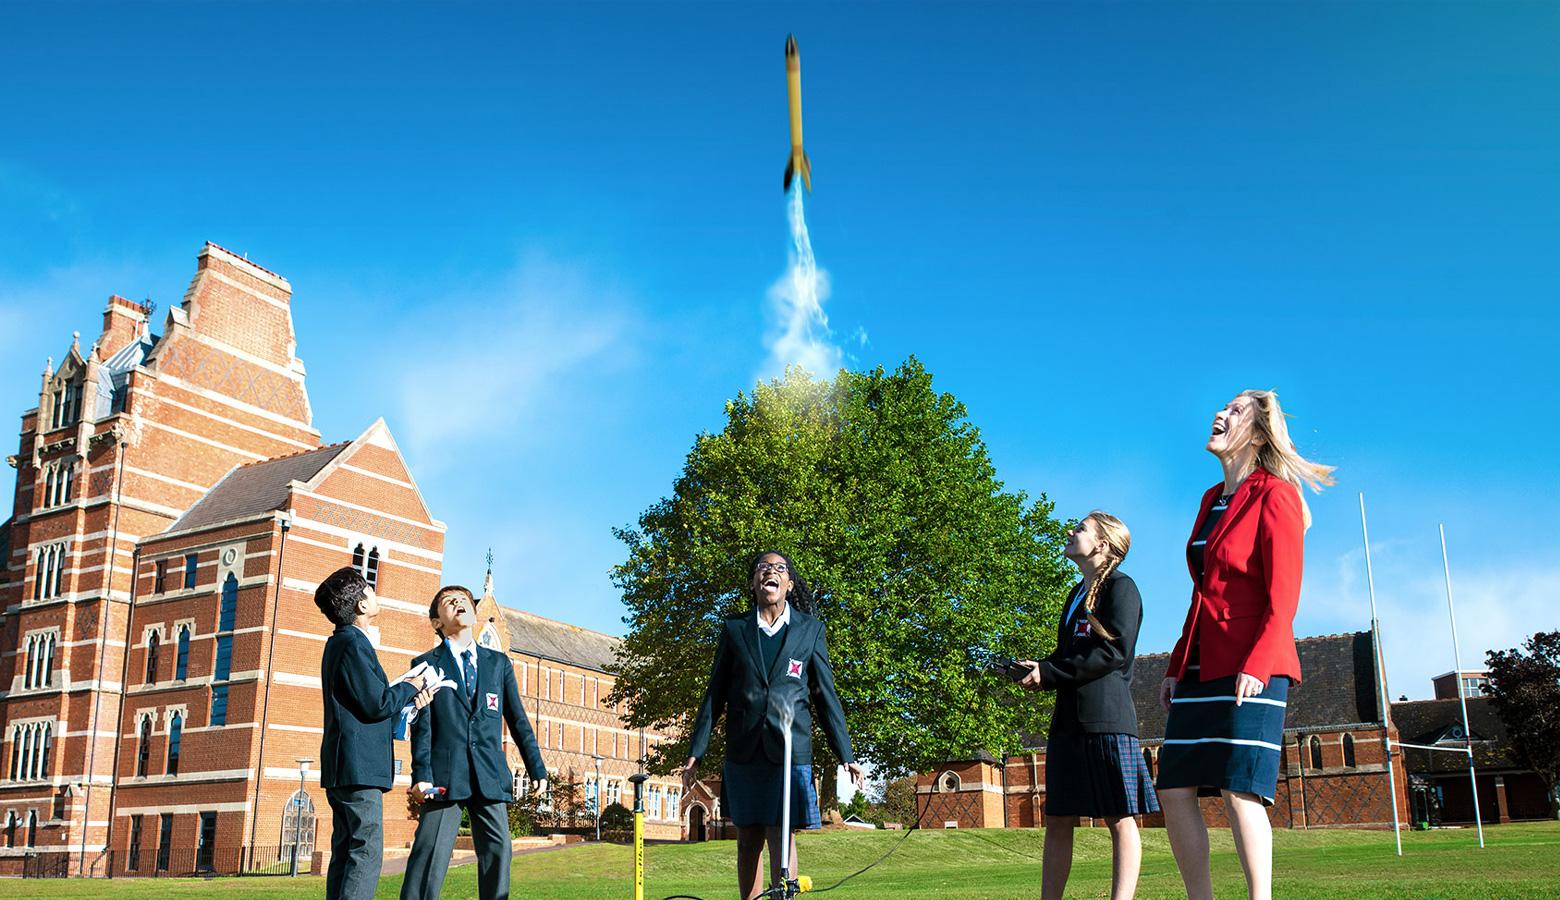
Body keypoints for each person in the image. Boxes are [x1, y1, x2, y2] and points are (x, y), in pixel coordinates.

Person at [1157, 390, 1334, 900]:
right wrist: (1176, 662)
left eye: (1235, 411)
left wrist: (1259, 661)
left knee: (1240, 790)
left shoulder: (1276, 494)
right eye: (1222, 407)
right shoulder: (1210, 500)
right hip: (1199, 663)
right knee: (1173, 789)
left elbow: (1284, 595)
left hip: (1254, 663)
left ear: (1257, 433)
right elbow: (1203, 591)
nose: (1220, 414)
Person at [682, 551, 865, 900]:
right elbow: (714, 695)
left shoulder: (810, 630)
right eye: (763, 568)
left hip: (790, 751)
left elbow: (825, 694)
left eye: (780, 568)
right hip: (744, 750)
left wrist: (846, 752)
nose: (771, 572)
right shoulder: (734, 629)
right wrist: (696, 752)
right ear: (754, 583)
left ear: (789, 584)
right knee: (748, 837)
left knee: (783, 834)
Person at [1016, 511, 1156, 900]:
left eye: (1080, 529)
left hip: (1106, 722)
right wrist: (1038, 669)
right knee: (1058, 819)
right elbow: (1069, 655)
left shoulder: (1122, 589)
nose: (1070, 532)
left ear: (1102, 544)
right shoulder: (1075, 593)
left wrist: (1052, 672)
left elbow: (1114, 651)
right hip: (1067, 723)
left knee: (1119, 817)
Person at [401, 585, 548, 900]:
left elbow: (518, 720)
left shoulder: (499, 663)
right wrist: (420, 776)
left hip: (489, 774)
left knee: (499, 854)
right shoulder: (425, 664)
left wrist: (537, 767)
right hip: (443, 776)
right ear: (437, 622)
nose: (458, 603)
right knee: (428, 858)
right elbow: (422, 727)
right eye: (448, 602)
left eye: (464, 600)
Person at [317, 566, 434, 900]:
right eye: (369, 590)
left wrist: (409, 699)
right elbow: (377, 704)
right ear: (361, 606)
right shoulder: (353, 644)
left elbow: (368, 704)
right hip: (358, 770)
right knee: (366, 851)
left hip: (345, 768)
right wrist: (411, 686)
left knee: (346, 850)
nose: (374, 593)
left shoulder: (340, 644)